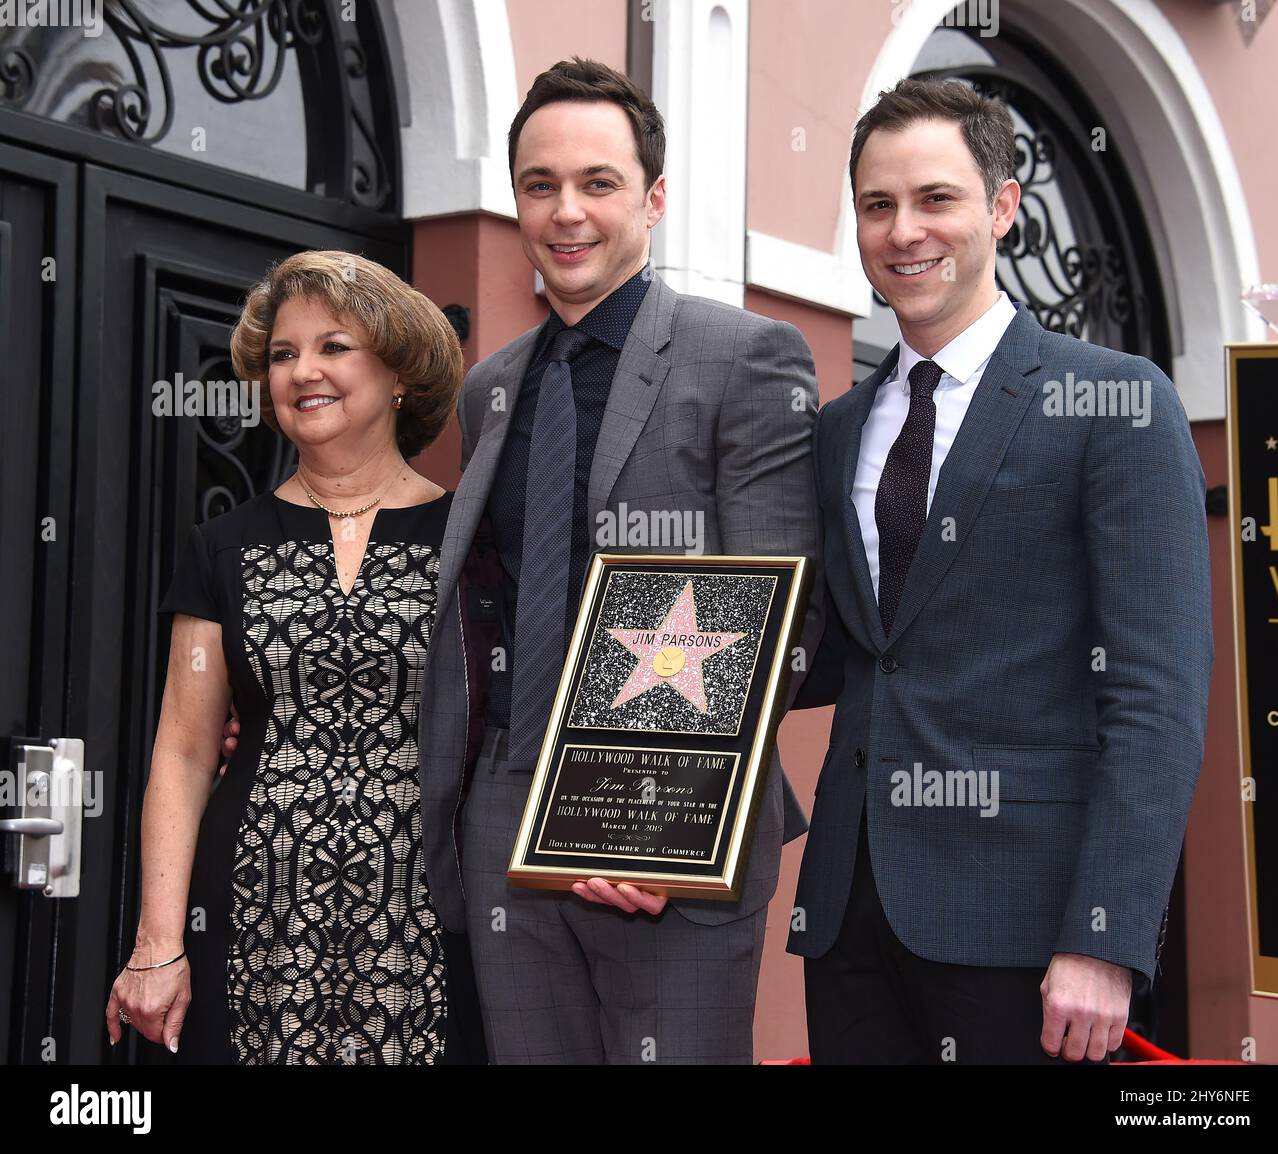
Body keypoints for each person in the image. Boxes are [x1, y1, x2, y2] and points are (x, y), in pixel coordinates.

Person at [789, 78, 1213, 1064]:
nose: (904, 231)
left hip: (1025, 933)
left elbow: (1157, 694)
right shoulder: (839, 428)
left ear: (1003, 206)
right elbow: (838, 653)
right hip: (849, 915)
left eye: (935, 198)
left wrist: (1103, 935)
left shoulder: (1112, 402)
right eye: (876, 205)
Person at [421, 58, 819, 1064]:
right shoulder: (492, 389)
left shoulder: (746, 356)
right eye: (539, 184)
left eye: (597, 182)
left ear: (652, 197)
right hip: (510, 805)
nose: (567, 211)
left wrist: (653, 820)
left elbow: (779, 608)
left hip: (674, 818)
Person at [106, 250, 489, 1064]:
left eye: (333, 346)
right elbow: (182, 750)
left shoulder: (476, 542)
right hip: (250, 908)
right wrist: (157, 943)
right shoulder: (221, 546)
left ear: (397, 372)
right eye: (283, 354)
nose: (302, 371)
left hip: (427, 912)